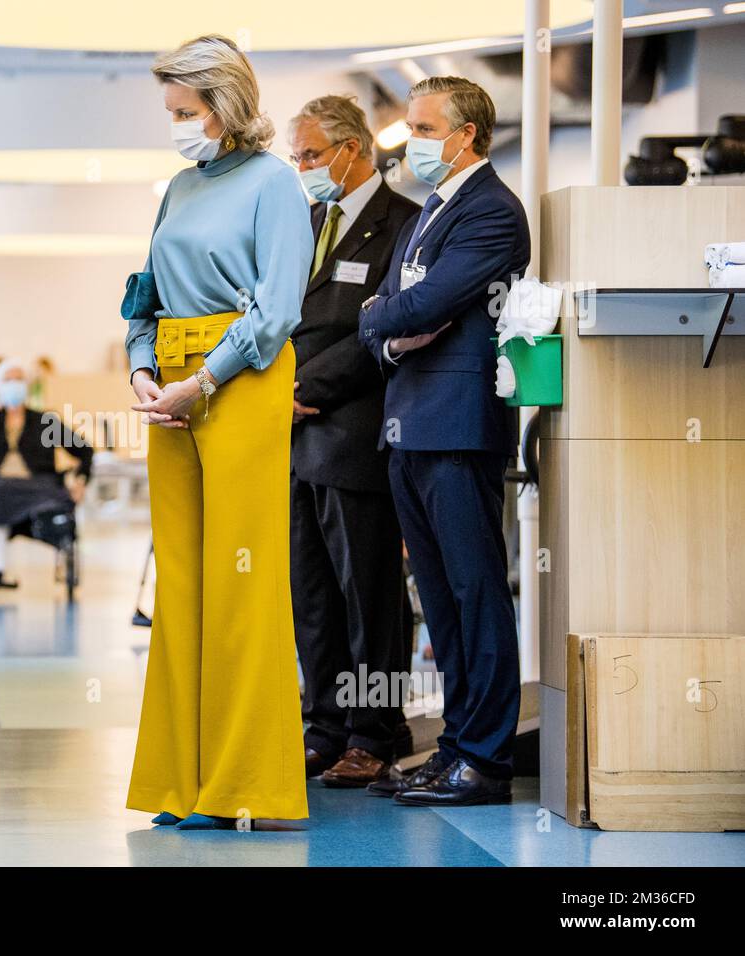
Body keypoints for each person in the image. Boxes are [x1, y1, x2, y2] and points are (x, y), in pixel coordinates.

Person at [123, 35, 313, 829]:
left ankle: (241, 785)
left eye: (185, 111)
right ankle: (180, 780)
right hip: (170, 383)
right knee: (183, 587)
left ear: (226, 106)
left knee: (242, 585)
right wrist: (141, 365)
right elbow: (144, 290)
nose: (176, 125)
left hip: (238, 384)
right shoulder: (179, 186)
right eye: (170, 111)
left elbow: (277, 309)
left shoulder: (276, 185)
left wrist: (203, 380)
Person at [358, 76, 530, 806]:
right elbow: (386, 309)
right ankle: (455, 744)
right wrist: (388, 335)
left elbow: (422, 302)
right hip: (409, 422)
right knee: (439, 599)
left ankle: (487, 760)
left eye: (426, 129)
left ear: (466, 135)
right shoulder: (430, 211)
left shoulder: (492, 212)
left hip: (459, 425)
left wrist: (383, 317)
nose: (415, 143)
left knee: (474, 591)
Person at [286, 95, 419, 787]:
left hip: (353, 433)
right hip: (291, 441)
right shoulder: (305, 221)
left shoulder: (404, 224)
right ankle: (324, 726)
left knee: (368, 596)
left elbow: (383, 328)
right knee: (310, 595)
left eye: (311, 154)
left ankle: (374, 733)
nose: (303, 167)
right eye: (297, 156)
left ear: (353, 149)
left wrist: (307, 390)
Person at [0, 357, 92, 588]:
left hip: (40, 488)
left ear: (27, 385)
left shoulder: (44, 421)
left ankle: (1, 565)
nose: (14, 384)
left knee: (40, 496)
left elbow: (85, 451)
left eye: (19, 379)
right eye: (9, 380)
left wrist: (81, 481)